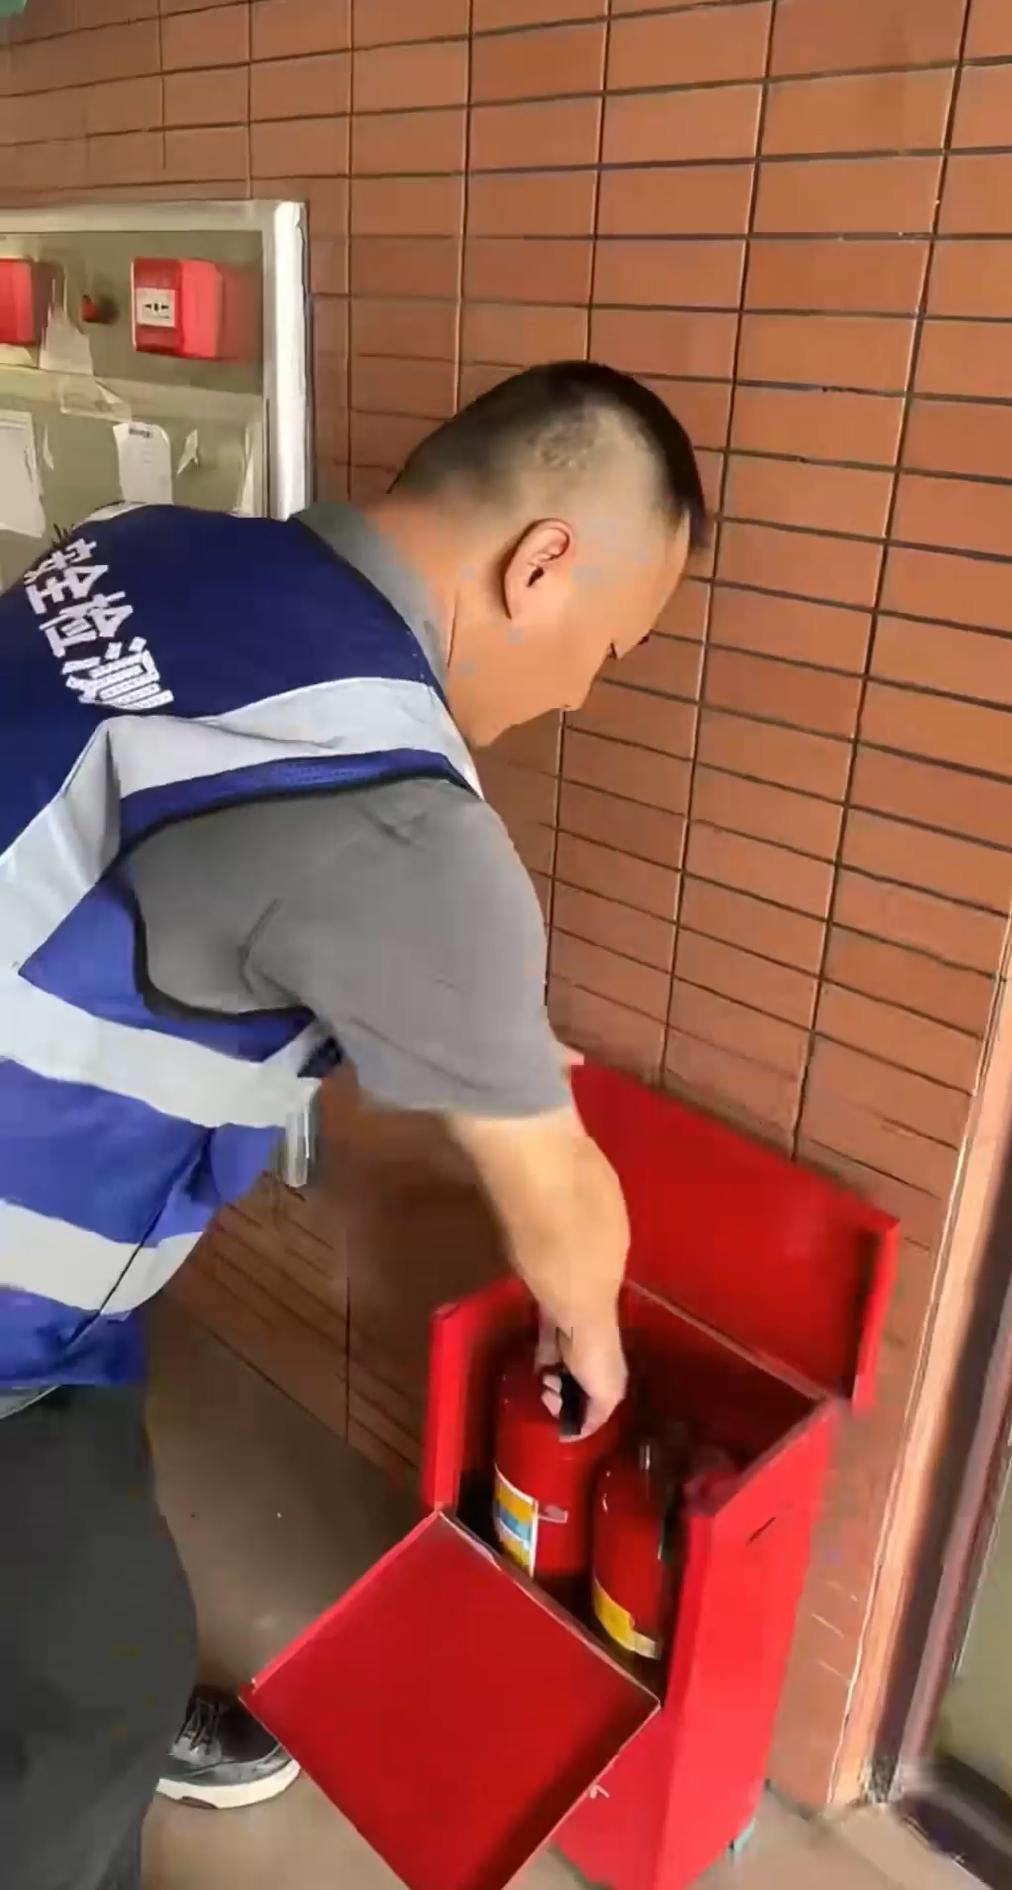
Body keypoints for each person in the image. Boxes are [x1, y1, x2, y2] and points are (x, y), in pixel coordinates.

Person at [0, 360, 706, 1889]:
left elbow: (182, 877)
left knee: (94, 1565)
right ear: (541, 563)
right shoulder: (401, 820)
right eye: (608, 647)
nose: (582, 691)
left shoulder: (137, 550)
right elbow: (556, 1201)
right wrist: (589, 1332)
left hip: (60, 1313)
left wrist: (472, 1027)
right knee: (85, 1695)